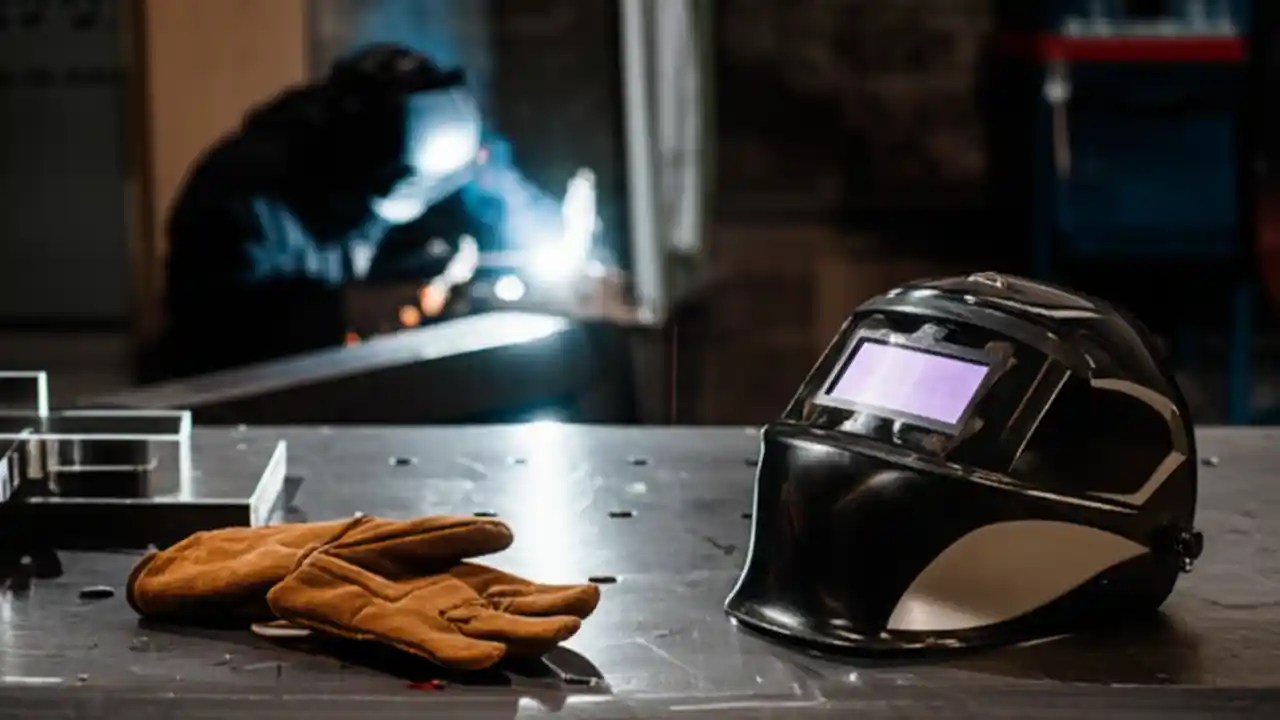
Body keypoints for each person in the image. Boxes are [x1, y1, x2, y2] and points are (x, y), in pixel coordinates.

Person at [154, 44, 483, 380]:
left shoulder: (394, 168)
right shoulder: (243, 192)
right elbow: (210, 329)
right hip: (224, 396)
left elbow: (413, 225)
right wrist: (347, 310)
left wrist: (442, 260)